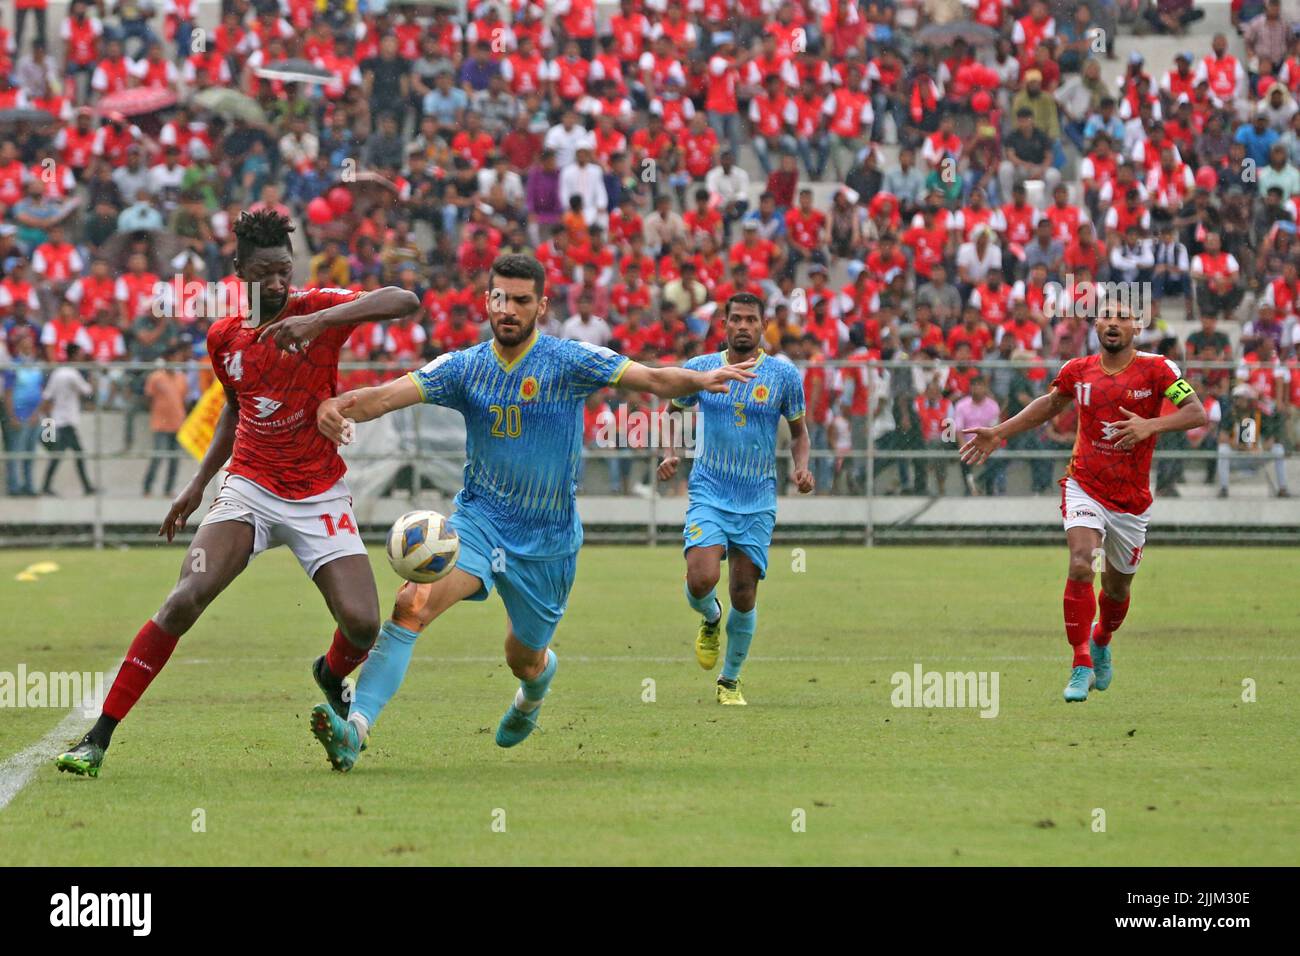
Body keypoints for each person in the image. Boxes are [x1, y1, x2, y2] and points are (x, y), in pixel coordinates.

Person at [306, 254, 756, 770]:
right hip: (479, 522)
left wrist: (697, 382)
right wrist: (337, 405)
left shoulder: (569, 362)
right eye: (500, 298)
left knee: (522, 659)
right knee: (411, 604)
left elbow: (652, 379)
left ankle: (535, 689)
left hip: (547, 544)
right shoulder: (465, 367)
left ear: (541, 305)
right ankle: (354, 732)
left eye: (521, 300)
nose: (509, 309)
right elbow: (387, 396)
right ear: (486, 302)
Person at [55, 210, 421, 778]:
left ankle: (330, 672)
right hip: (248, 487)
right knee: (184, 598)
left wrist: (320, 321)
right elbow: (236, 406)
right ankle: (97, 738)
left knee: (363, 626)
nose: (278, 283)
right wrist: (198, 485)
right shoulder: (224, 337)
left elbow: (404, 299)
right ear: (238, 271)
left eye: (284, 270)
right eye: (265, 273)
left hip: (319, 493)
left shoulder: (315, 307)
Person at [959, 304, 1208, 702]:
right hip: (1084, 485)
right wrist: (999, 432)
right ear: (1095, 325)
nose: (1113, 322)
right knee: (1080, 563)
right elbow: (1050, 404)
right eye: (1106, 316)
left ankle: (1101, 639)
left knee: (1117, 587)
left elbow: (1197, 413)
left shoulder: (1160, 369)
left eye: (1123, 316)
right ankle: (1080, 664)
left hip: (1130, 501)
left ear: (1137, 327)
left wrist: (1150, 425)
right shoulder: (1078, 369)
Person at [656, 293, 813, 705]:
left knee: (744, 591)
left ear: (763, 327)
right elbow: (672, 410)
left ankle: (729, 681)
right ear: (724, 324)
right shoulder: (702, 369)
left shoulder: (782, 375)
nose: (743, 326)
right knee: (701, 577)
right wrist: (671, 451)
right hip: (709, 491)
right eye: (736, 319)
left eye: (751, 320)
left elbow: (799, 432)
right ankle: (710, 616)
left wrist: (801, 467)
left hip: (758, 498)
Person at [39, 343, 96, 496]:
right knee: (77, 454)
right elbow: (88, 391)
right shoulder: (72, 374)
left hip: (58, 420)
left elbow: (46, 397)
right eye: (80, 354)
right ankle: (87, 487)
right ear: (74, 355)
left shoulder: (57, 372)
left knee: (61, 456)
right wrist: (92, 371)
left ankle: (48, 486)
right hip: (67, 422)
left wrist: (47, 424)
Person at [141, 341, 189, 498]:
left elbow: (184, 399)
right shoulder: (156, 377)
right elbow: (148, 397)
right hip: (160, 423)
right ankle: (147, 487)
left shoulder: (182, 377)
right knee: (158, 457)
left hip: (178, 423)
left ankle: (168, 489)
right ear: (168, 358)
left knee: (175, 460)